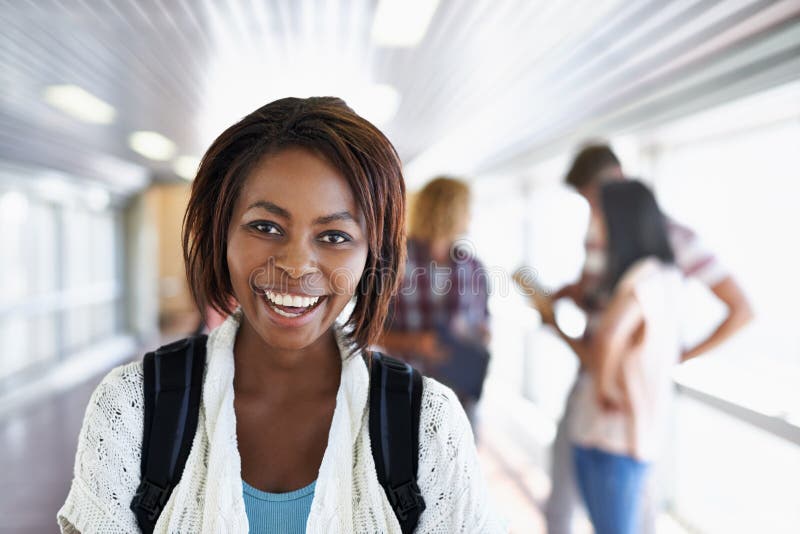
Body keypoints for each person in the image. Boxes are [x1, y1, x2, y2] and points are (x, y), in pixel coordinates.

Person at [57, 97, 505, 533]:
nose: (295, 265)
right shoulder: (133, 410)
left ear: (373, 255)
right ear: (221, 234)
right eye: (266, 227)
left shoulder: (429, 425)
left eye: (333, 235)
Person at [542, 144, 753, 534]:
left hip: (617, 419)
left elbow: (607, 339)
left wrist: (676, 357)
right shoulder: (643, 267)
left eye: (598, 201)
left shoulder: (655, 267)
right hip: (608, 407)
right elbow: (599, 311)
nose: (594, 211)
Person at [379, 177, 491, 429]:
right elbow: (368, 331)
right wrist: (415, 343)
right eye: (467, 209)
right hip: (408, 393)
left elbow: (484, 321)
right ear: (451, 210)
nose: (470, 216)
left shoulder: (474, 268)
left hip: (461, 394)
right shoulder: (393, 262)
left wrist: (481, 335)